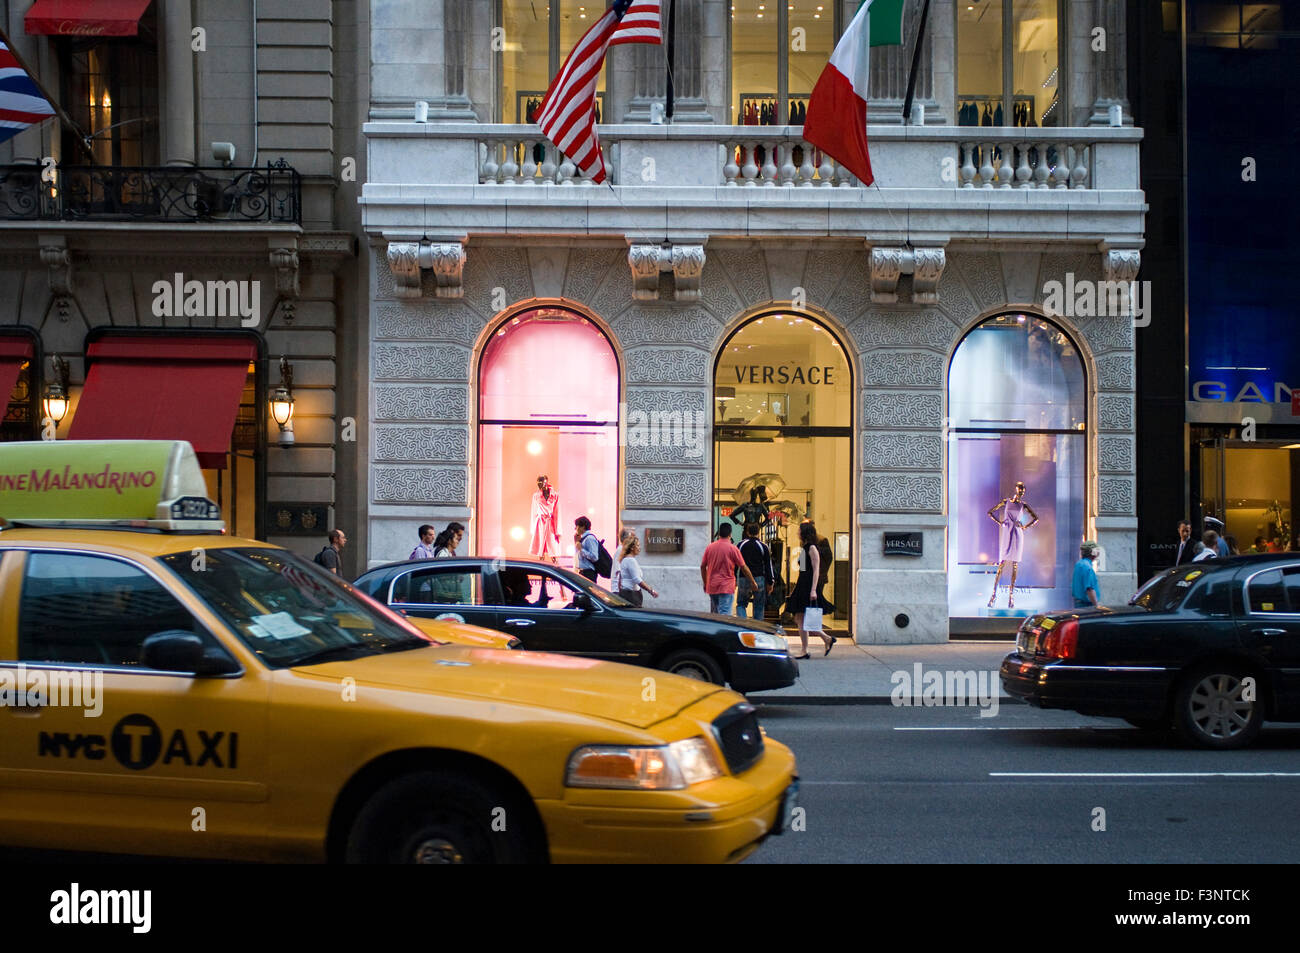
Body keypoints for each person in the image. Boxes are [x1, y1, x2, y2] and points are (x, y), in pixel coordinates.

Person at [784, 521, 835, 657]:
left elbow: (816, 569)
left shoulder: (812, 548)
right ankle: (825, 639)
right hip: (803, 583)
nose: (797, 533)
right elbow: (804, 569)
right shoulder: (806, 547)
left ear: (804, 532)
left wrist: (813, 590)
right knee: (800, 618)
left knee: (801, 618)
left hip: (808, 585)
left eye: (799, 530)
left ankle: (806, 649)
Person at [700, 523, 757, 616]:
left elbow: (702, 567)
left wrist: (705, 583)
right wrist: (753, 581)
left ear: (719, 534)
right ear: (730, 534)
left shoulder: (710, 547)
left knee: (716, 614)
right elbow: (743, 567)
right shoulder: (733, 549)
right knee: (724, 615)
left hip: (712, 586)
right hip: (726, 586)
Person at [736, 522, 775, 621]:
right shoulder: (763, 546)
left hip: (743, 577)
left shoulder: (740, 545)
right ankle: (757, 629)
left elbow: (735, 563)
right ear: (758, 532)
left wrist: (733, 577)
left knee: (741, 604)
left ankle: (743, 625)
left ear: (747, 532)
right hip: (759, 578)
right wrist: (770, 582)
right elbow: (768, 565)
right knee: (759, 605)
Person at [615, 534, 658, 606]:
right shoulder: (631, 561)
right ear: (632, 548)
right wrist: (651, 590)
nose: (639, 548)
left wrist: (621, 592)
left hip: (626, 592)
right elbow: (637, 579)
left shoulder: (624, 560)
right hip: (632, 595)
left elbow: (620, 578)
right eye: (638, 545)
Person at [1071, 540, 1102, 609]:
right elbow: (1089, 589)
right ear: (1093, 552)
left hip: (1078, 604)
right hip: (1087, 605)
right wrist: (1096, 605)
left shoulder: (1079, 564)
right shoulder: (1087, 567)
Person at [575, 516, 600, 582]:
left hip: (588, 573)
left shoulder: (589, 538)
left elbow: (594, 557)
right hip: (583, 572)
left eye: (577, 526)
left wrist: (581, 550)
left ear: (582, 526)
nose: (575, 529)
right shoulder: (583, 539)